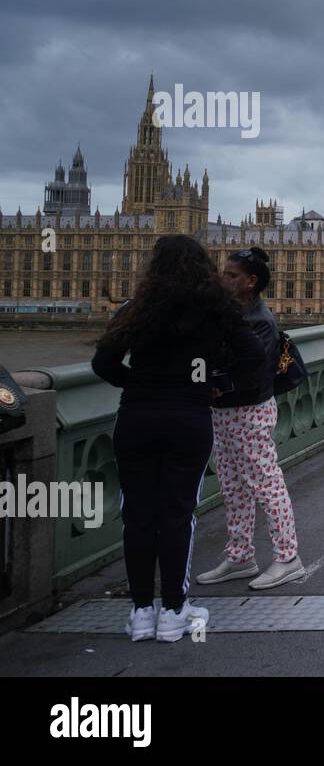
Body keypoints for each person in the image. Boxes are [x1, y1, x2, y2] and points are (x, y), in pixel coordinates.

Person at [91, 235, 265, 642]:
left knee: (137, 516)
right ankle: (173, 611)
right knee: (177, 515)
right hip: (188, 417)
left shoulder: (136, 309)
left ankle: (140, 614)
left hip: (136, 417)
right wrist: (217, 383)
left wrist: (138, 383)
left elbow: (103, 362)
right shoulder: (215, 309)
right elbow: (255, 357)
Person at [197, 246, 304, 590]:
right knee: (232, 486)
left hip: (250, 411)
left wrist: (217, 384)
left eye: (231, 275)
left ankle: (288, 558)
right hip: (224, 412)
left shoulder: (259, 320)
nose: (223, 279)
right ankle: (240, 555)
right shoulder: (226, 312)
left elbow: (253, 371)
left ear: (250, 282)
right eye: (223, 272)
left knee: (266, 483)